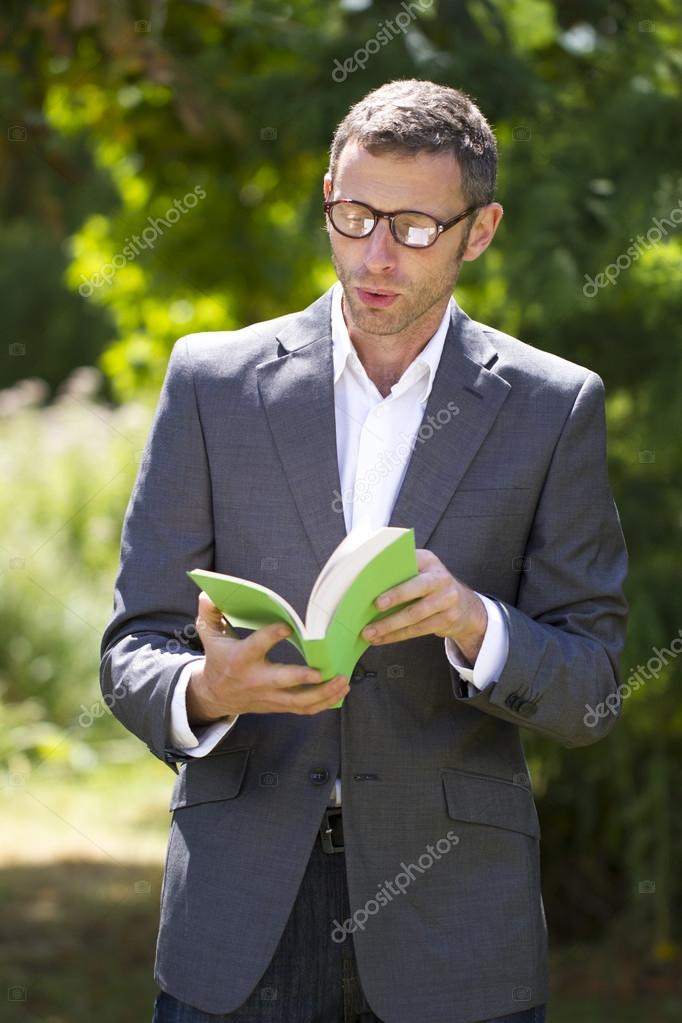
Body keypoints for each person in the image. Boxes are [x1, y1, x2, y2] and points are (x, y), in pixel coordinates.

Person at [100, 79, 628, 1023]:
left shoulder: (554, 407)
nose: (376, 255)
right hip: (238, 917)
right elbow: (131, 645)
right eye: (352, 216)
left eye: (416, 226)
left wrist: (477, 625)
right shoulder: (212, 382)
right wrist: (207, 691)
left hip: (458, 924)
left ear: (481, 228)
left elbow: (594, 686)